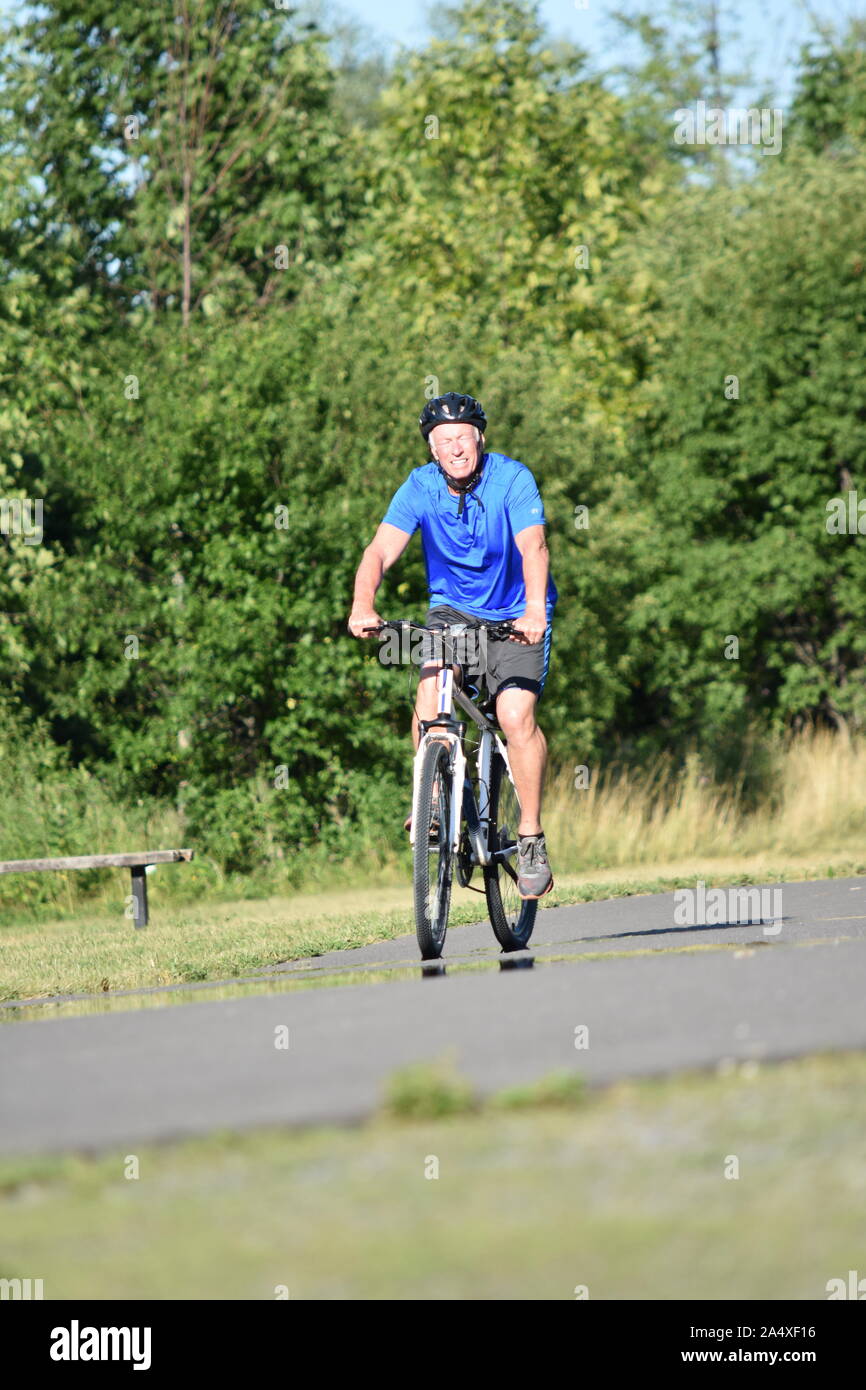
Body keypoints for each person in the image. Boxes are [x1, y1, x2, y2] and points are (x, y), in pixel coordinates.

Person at [348, 392, 557, 899]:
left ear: (480, 438)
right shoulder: (419, 487)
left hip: (516, 614)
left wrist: (533, 611)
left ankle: (529, 836)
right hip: (453, 613)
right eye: (444, 441)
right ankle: (434, 800)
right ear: (432, 449)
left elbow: (534, 546)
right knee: (430, 692)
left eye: (464, 436)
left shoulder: (512, 478)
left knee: (513, 716)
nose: (455, 447)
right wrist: (362, 604)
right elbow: (380, 550)